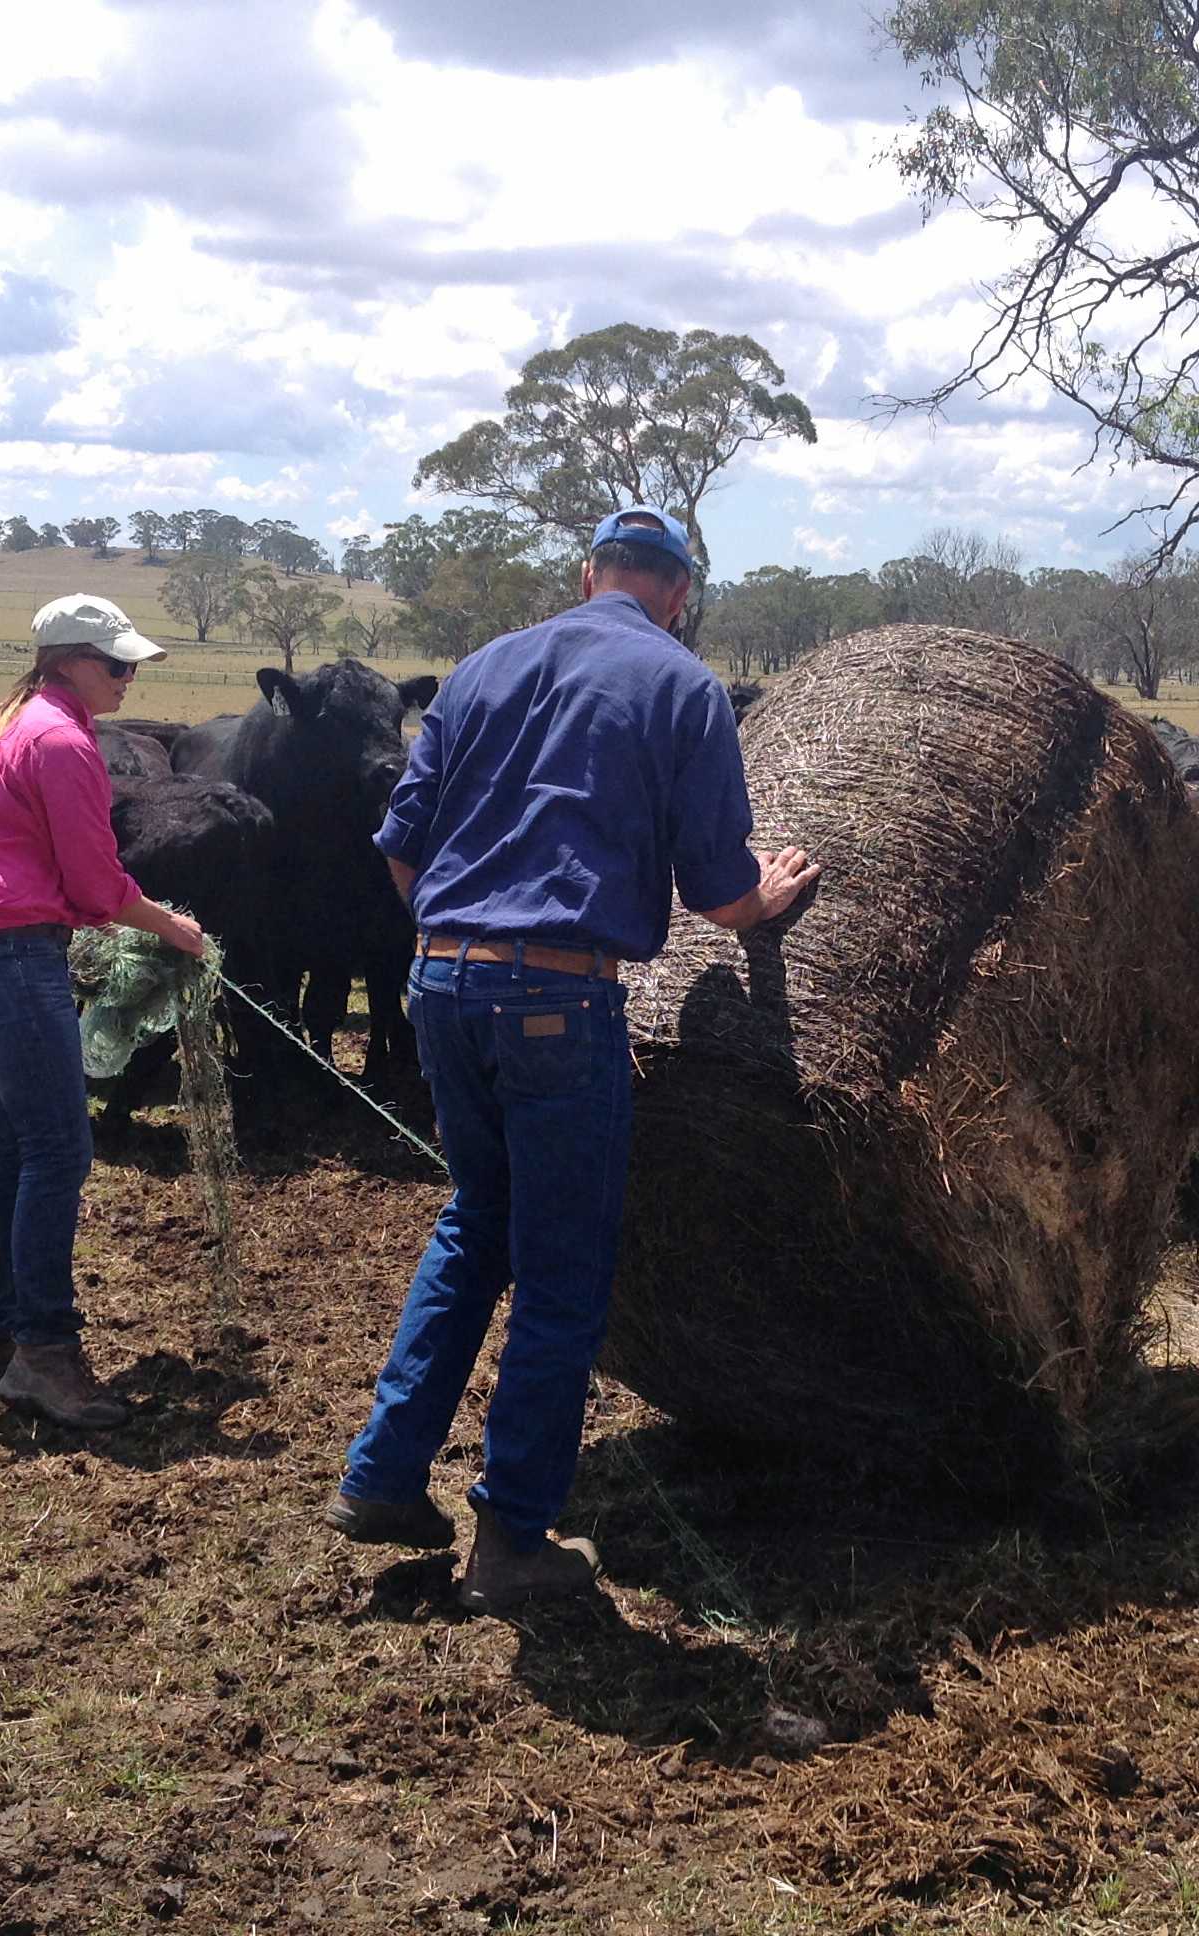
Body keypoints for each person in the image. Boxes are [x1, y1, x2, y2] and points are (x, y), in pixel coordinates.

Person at [331, 507, 819, 1611]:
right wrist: (764, 901)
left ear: (587, 573)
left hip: (440, 982)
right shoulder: (684, 686)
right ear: (678, 596)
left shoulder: (482, 667)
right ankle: (511, 1539)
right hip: (558, 998)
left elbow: (401, 849)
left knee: (476, 1221)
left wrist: (463, 943)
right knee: (561, 1270)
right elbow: (717, 890)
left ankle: (382, 1474)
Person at [0, 594, 206, 1430]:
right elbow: (94, 882)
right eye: (116, 663)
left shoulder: (18, 725)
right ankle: (44, 1355)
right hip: (13, 959)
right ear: (70, 662)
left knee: (12, 1148)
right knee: (58, 1151)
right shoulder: (60, 740)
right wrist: (171, 927)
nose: (128, 677)